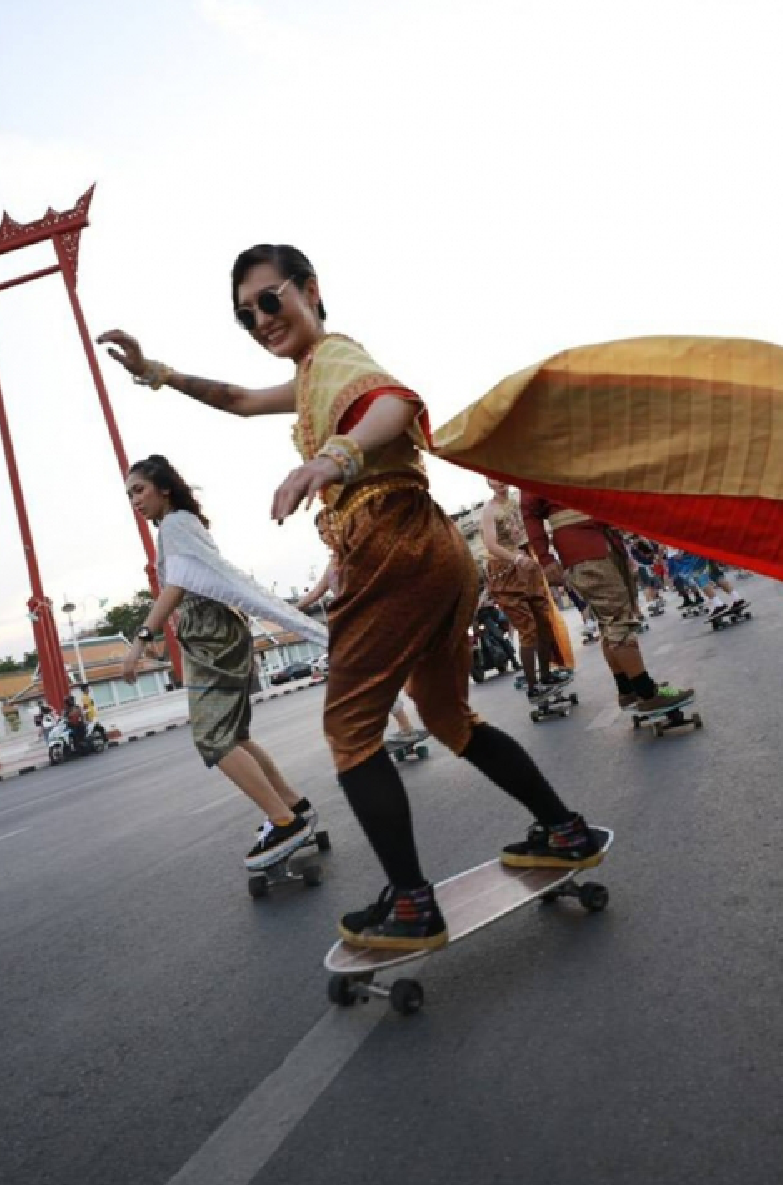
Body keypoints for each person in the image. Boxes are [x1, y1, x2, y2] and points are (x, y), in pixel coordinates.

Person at [99, 243, 606, 952]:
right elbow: (242, 400)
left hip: (390, 541)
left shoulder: (335, 357)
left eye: (271, 300)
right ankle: (563, 828)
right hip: (434, 550)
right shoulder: (310, 377)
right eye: (246, 315)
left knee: (350, 731)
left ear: (309, 289)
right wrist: (159, 374)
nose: (261, 320)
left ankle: (410, 903)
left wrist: (332, 458)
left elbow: (394, 402)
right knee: (448, 717)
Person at [121, 453, 328, 872]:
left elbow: (178, 585)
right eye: (129, 495)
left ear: (164, 487)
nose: (135, 502)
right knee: (235, 734)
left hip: (212, 635)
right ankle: (293, 805)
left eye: (139, 490)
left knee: (213, 738)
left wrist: (141, 639)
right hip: (216, 631)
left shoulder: (176, 524)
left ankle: (284, 822)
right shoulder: (181, 525)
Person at [521, 494, 695, 714]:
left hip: (603, 541)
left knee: (608, 621)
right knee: (617, 619)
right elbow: (529, 510)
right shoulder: (534, 461)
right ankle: (647, 694)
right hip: (583, 548)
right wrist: (545, 558)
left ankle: (628, 689)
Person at [477, 477, 567, 702]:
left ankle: (546, 675)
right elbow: (491, 544)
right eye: (493, 480)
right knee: (528, 630)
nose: (499, 483)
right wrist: (516, 558)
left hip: (528, 563)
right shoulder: (489, 510)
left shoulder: (518, 501)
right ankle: (532, 686)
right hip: (507, 571)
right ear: (488, 484)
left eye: (500, 479)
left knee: (544, 623)